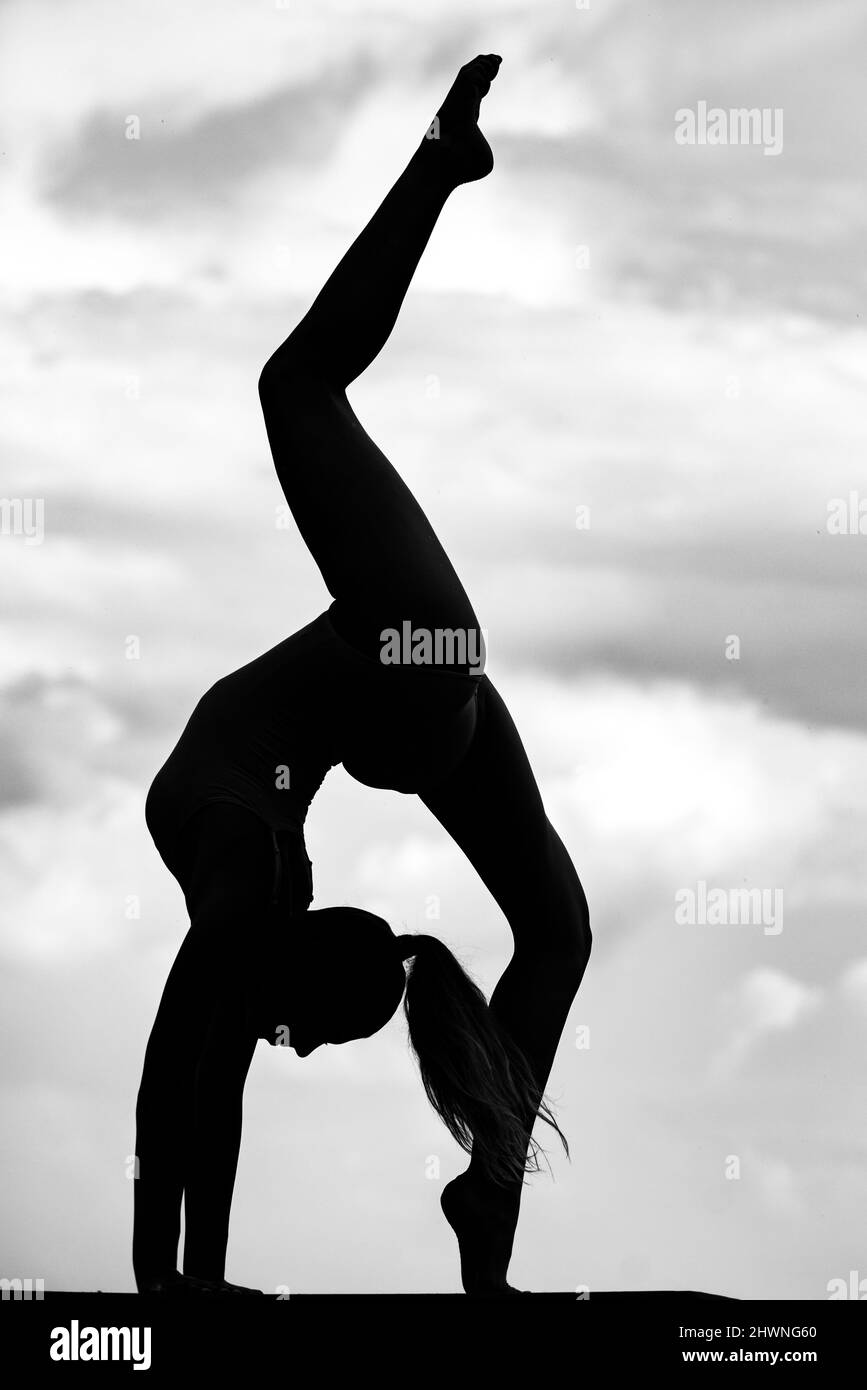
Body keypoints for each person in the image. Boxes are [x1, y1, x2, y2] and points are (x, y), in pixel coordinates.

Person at [133, 54, 591, 1298]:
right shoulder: (248, 877)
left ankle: (487, 1205)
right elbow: (193, 1077)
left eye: (291, 1032)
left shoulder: (242, 888)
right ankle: (442, 164)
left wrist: (172, 1289)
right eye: (302, 1033)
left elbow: (181, 1089)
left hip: (419, 680)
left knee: (558, 927)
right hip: (417, 666)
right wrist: (179, 1289)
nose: (282, 1042)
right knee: (296, 388)